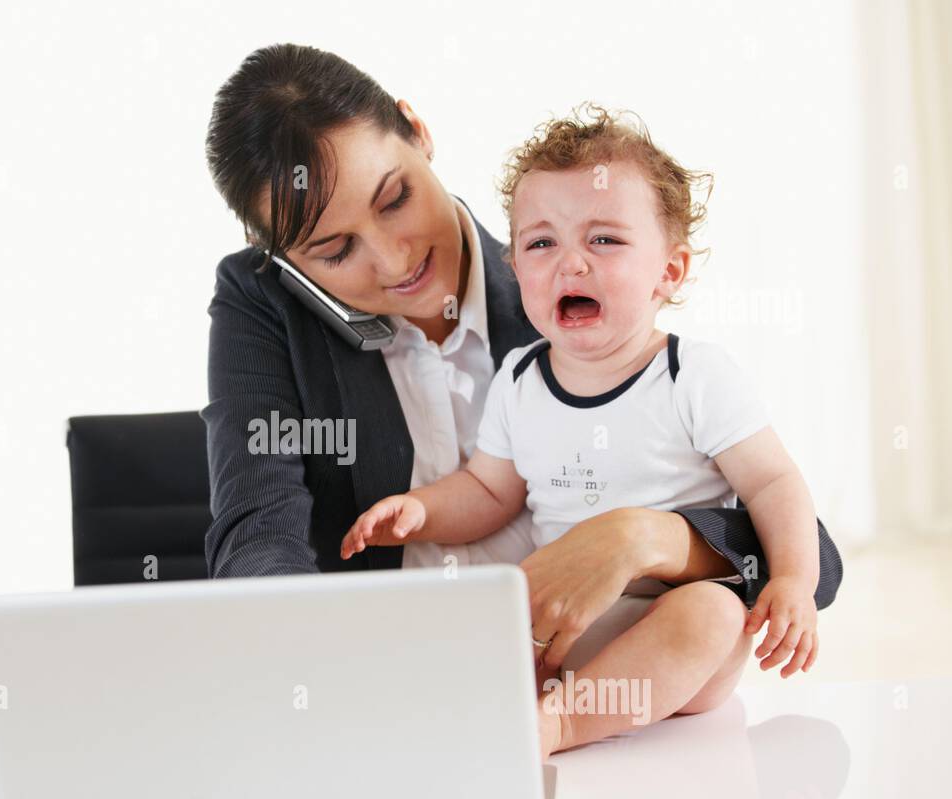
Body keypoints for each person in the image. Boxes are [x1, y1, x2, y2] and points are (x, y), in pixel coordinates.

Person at [201, 44, 842, 697]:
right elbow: (259, 533)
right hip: (393, 689)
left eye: (395, 199)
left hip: (591, 690)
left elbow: (812, 552)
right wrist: (301, 664)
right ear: (273, 251)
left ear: (417, 130)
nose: (395, 262)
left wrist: (643, 537)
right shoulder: (266, 304)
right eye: (335, 249)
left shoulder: (564, 276)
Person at [341, 105, 822, 758]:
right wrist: (420, 509)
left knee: (711, 613)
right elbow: (488, 490)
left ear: (670, 271)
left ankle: (562, 724)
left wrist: (792, 577)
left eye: (604, 240)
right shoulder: (520, 379)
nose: (571, 263)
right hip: (567, 627)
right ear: (515, 266)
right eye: (542, 243)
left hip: (675, 627)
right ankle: (507, 708)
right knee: (472, 621)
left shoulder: (693, 375)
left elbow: (772, 482)